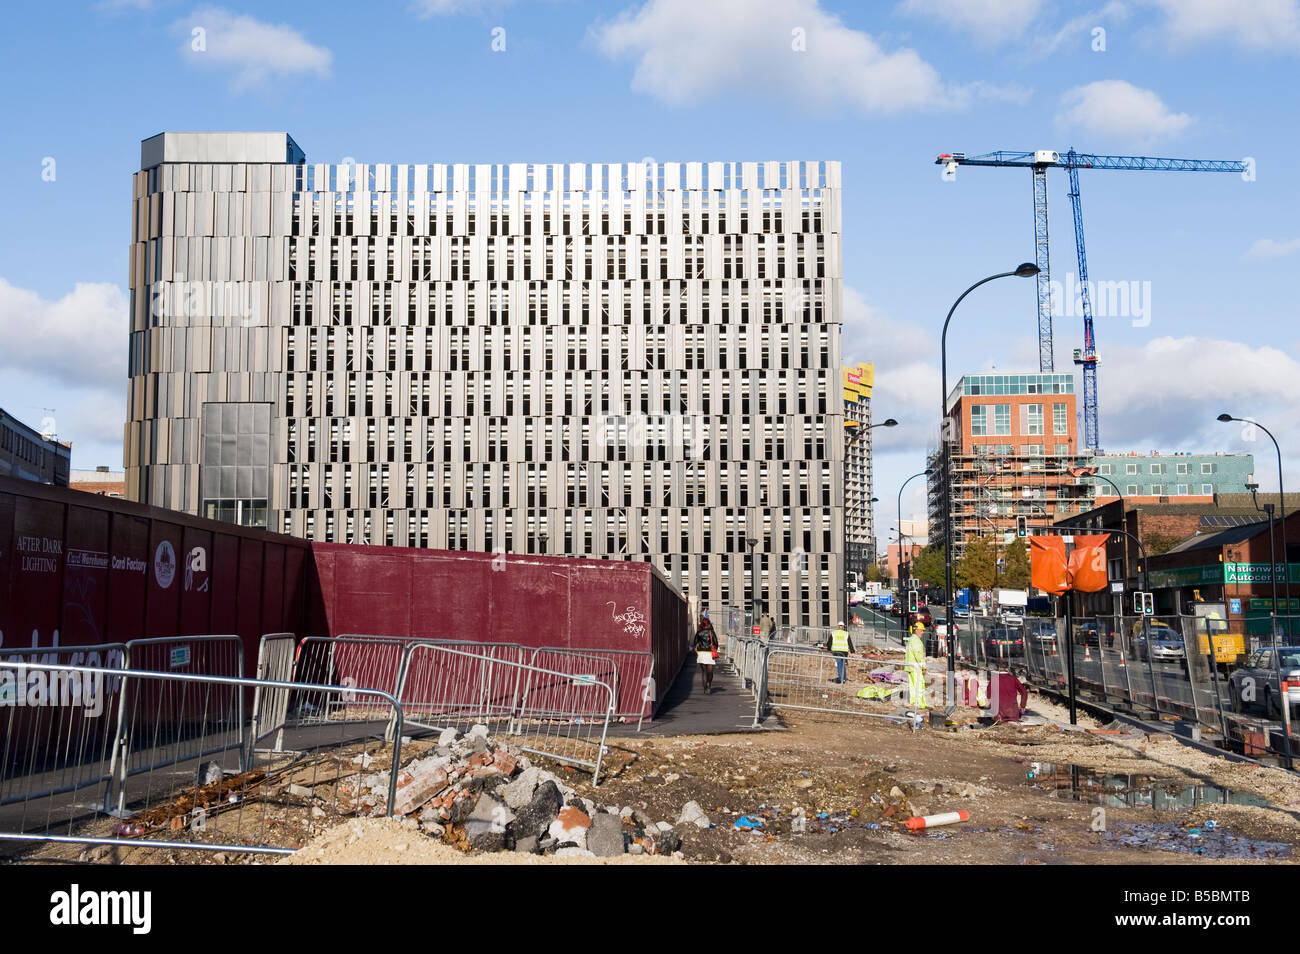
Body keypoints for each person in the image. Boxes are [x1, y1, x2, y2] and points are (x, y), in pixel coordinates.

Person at [693, 612, 719, 694]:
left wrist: (697, 650)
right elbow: (716, 642)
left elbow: (695, 643)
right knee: (710, 671)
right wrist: (715, 649)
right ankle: (709, 685)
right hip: (710, 653)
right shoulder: (711, 632)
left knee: (704, 671)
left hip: (701, 652)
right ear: (708, 624)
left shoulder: (699, 632)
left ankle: (705, 687)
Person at [905, 622, 928, 709]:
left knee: (913, 686)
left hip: (910, 666)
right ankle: (920, 703)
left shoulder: (910, 639)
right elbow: (919, 656)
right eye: (922, 630)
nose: (923, 632)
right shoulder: (917, 641)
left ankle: (913, 702)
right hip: (916, 667)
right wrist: (923, 667)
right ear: (917, 630)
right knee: (919, 685)